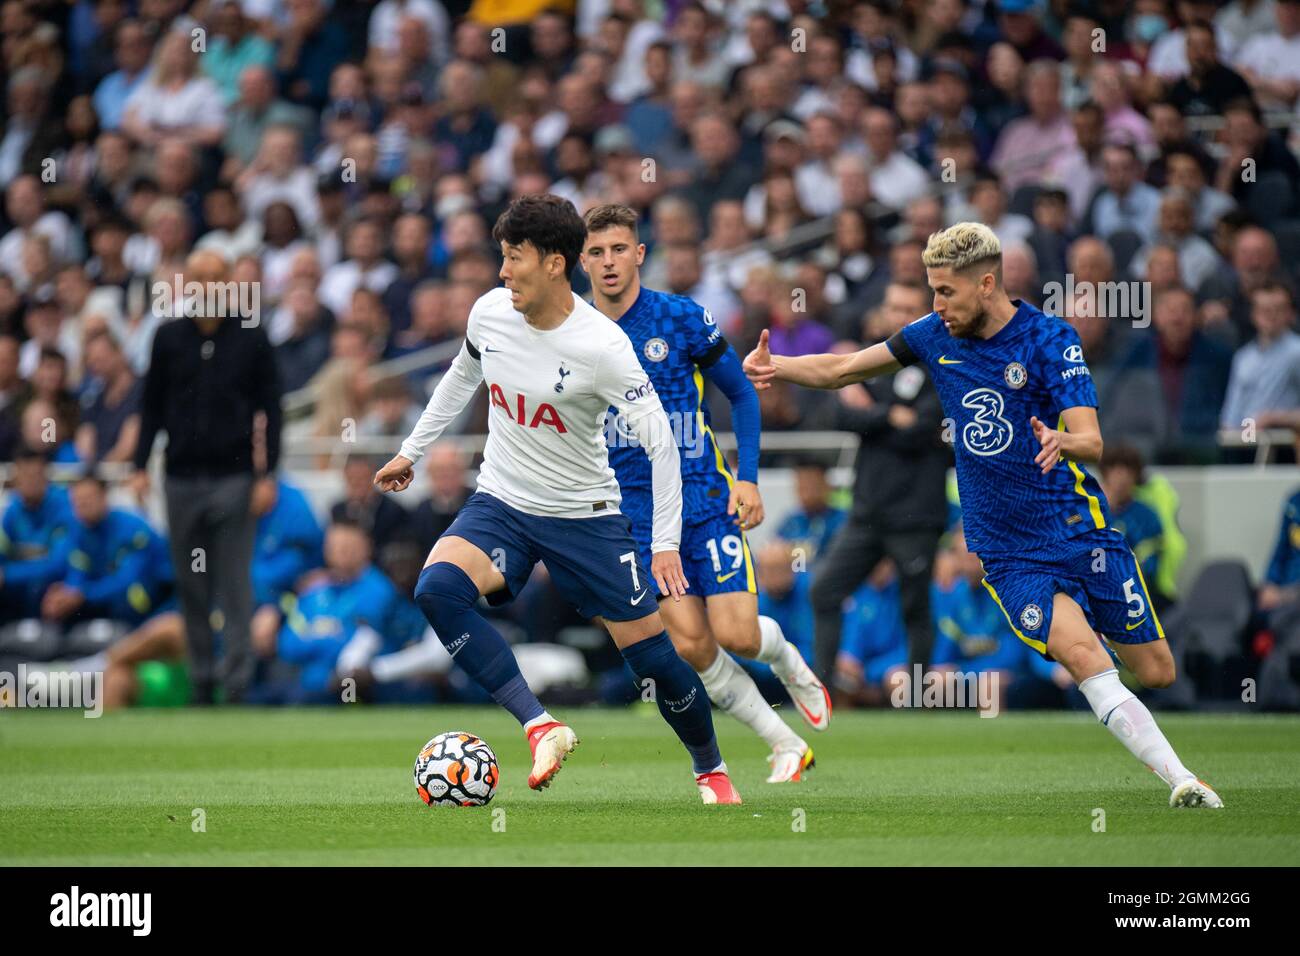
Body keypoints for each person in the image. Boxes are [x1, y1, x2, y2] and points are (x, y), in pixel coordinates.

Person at [745, 222, 1224, 809]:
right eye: (932, 291)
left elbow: (1092, 440)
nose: (937, 304)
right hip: (1006, 550)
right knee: (1084, 657)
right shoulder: (930, 336)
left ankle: (1104, 647)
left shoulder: (1051, 339)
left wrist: (1061, 441)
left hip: (1079, 532)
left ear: (987, 283)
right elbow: (845, 369)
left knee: (1156, 672)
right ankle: (1184, 781)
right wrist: (778, 368)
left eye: (946, 291)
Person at [372, 195, 739, 805]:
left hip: (585, 517)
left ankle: (712, 770)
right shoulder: (490, 313)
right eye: (502, 257)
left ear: (553, 263)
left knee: (653, 660)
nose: (502, 271)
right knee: (437, 590)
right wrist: (413, 450)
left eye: (514, 258)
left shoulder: (602, 346)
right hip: (503, 502)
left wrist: (666, 544)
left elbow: (664, 445)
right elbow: (464, 375)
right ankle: (541, 725)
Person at [582, 202, 829, 785]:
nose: (610, 261)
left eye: (620, 248)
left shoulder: (680, 317)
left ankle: (789, 661)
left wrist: (747, 476)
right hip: (637, 519)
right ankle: (785, 744)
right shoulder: (576, 337)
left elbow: (741, 395)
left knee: (739, 634)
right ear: (581, 262)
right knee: (691, 645)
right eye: (597, 252)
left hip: (703, 499)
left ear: (640, 254)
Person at [131, 249, 283, 705]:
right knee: (191, 584)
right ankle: (201, 682)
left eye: (217, 278)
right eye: (199, 278)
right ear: (187, 285)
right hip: (179, 478)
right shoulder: (168, 337)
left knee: (234, 584)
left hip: (234, 479)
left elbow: (271, 411)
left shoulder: (252, 338)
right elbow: (151, 406)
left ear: (231, 283)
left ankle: (235, 686)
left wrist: (266, 474)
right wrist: (139, 466)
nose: (208, 286)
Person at [808, 281, 948, 683]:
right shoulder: (873, 359)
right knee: (824, 591)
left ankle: (919, 698)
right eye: (894, 308)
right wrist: (892, 416)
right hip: (868, 511)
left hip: (916, 513)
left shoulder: (940, 363)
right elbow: (842, 416)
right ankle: (823, 688)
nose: (901, 317)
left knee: (914, 606)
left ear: (925, 315)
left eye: (909, 309)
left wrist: (875, 413)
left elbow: (924, 427)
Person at [0, 446, 74, 621]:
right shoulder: (12, 510)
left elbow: (57, 565)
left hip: (50, 585)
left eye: (35, 475)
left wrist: (7, 575)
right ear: (16, 478)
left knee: (38, 586)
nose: (30, 482)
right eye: (25, 476)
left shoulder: (64, 508)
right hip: (18, 583)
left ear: (46, 477)